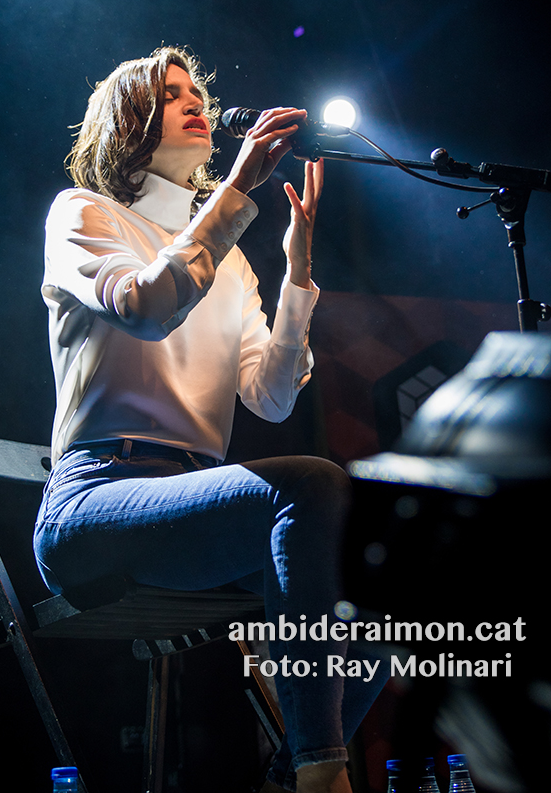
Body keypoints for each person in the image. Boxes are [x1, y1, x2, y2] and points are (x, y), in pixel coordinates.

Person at [33, 46, 369, 793]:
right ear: (126, 121)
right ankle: (323, 774)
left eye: (197, 94)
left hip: (196, 510)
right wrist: (237, 194)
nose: (196, 104)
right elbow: (145, 306)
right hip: (96, 502)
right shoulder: (85, 213)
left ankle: (288, 775)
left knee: (384, 581)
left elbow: (271, 398)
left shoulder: (231, 262)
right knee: (311, 483)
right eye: (169, 94)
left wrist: (299, 276)